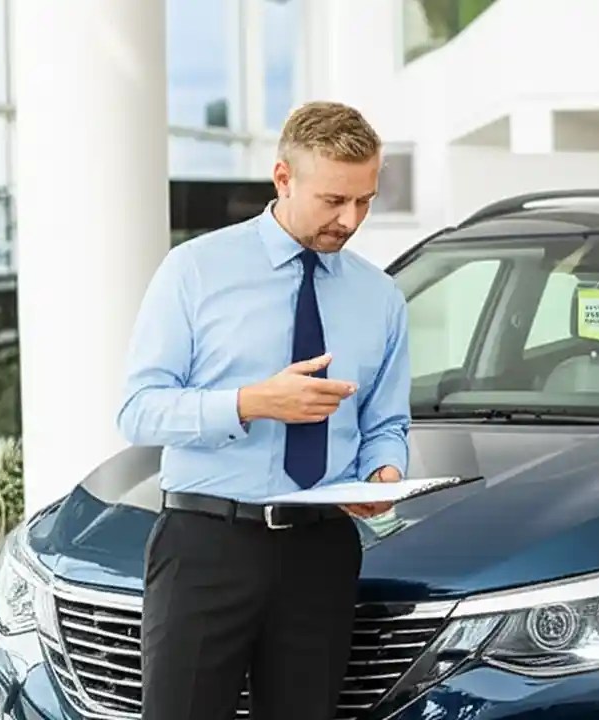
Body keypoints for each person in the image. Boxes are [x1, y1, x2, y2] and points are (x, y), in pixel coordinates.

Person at [116, 101, 411, 720]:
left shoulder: (380, 296)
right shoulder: (195, 270)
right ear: (283, 178)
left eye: (364, 200)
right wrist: (252, 404)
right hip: (205, 545)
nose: (350, 219)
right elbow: (138, 411)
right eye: (334, 199)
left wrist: (384, 472)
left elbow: (385, 423)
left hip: (321, 550)